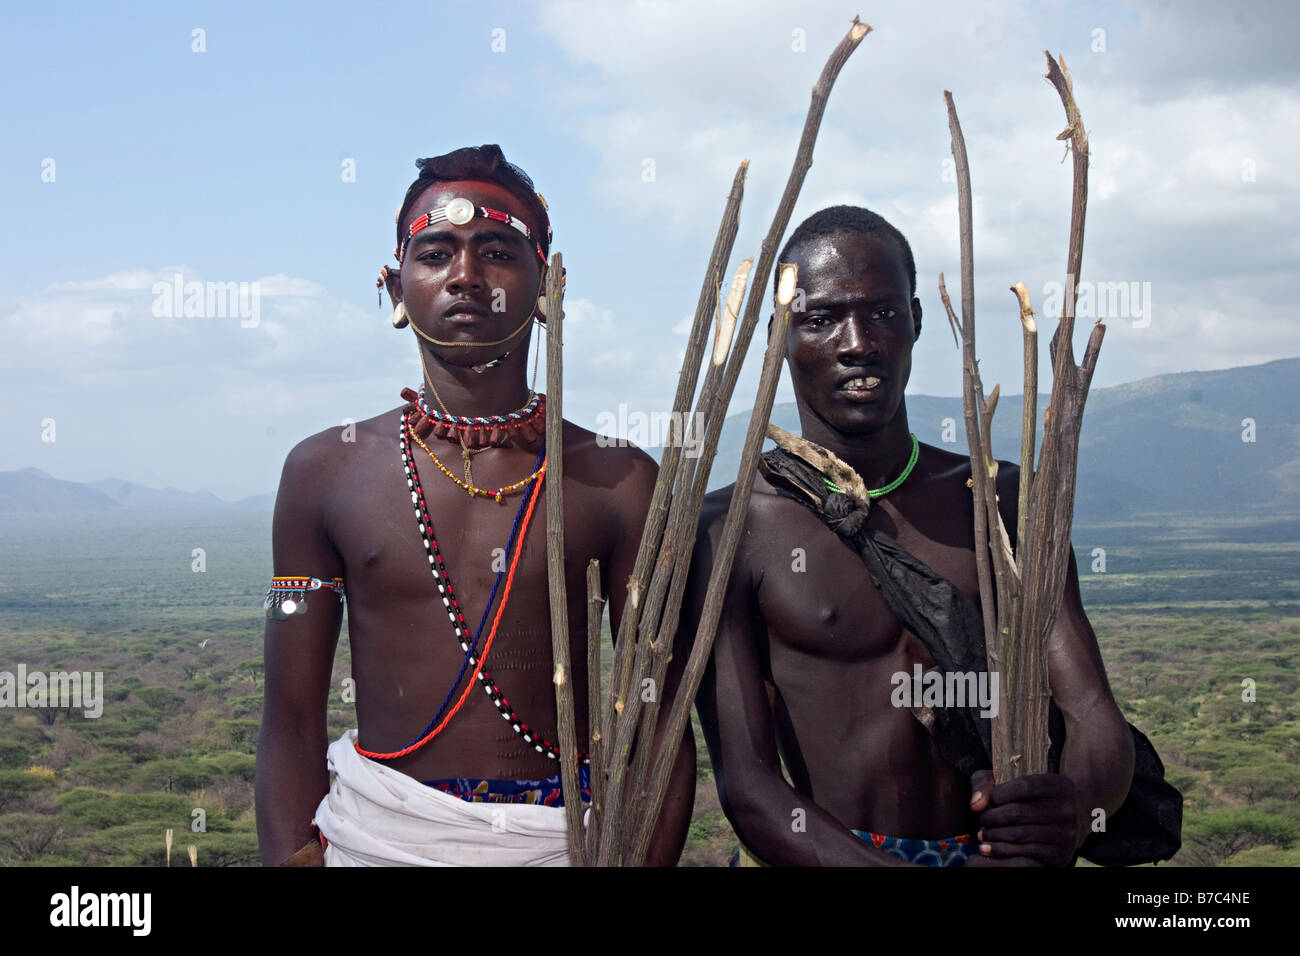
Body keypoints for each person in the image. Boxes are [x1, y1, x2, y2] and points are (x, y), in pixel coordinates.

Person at [255, 145, 694, 866]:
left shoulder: (620, 480)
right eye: (435, 254)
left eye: (496, 251)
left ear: (548, 284)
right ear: (395, 287)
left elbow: (661, 722)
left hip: (566, 845)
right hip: (377, 840)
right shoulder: (323, 471)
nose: (465, 276)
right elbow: (291, 718)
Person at [685, 205, 1136, 866]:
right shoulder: (730, 530)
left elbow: (1094, 712)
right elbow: (750, 787)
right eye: (821, 318)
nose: (857, 342)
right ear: (781, 334)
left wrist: (1069, 808)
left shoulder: (1003, 501)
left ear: (917, 323)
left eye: (883, 313)